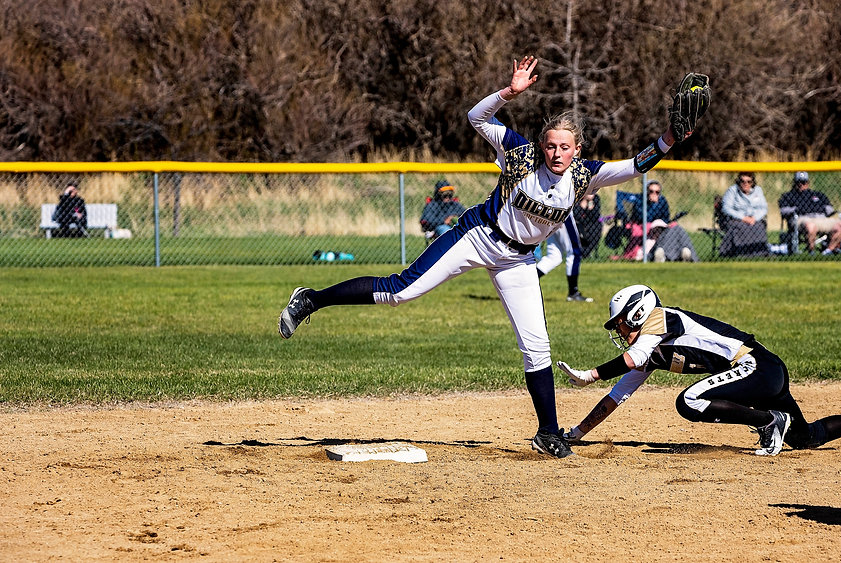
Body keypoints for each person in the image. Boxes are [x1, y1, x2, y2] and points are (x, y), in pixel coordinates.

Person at [277, 56, 708, 459]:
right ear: (542, 145)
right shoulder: (520, 156)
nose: (557, 153)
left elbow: (636, 165)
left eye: (565, 146)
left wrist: (672, 137)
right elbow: (476, 118)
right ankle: (311, 299)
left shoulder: (583, 176)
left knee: (536, 347)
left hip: (518, 260)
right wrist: (509, 92)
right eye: (551, 145)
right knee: (400, 291)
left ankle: (547, 434)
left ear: (577, 149)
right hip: (478, 235)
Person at [556, 285, 841, 456]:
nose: (618, 330)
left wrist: (588, 375)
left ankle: (767, 422)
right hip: (761, 374)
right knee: (806, 438)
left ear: (635, 313)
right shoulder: (648, 348)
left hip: (756, 366)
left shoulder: (661, 320)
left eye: (619, 323)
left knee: (690, 400)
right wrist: (576, 433)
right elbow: (617, 396)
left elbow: (630, 361)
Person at [624, 181, 698, 262]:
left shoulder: (662, 200)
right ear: (646, 191)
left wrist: (657, 206)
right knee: (668, 232)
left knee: (677, 228)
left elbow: (666, 217)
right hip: (648, 228)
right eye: (651, 191)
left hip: (661, 227)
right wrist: (652, 204)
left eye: (657, 192)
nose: (654, 194)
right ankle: (664, 253)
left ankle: (686, 252)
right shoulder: (640, 201)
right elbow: (641, 217)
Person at [778, 171, 841, 254]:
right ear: (794, 182)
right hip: (802, 218)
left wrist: (825, 209)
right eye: (798, 182)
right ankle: (811, 251)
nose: (801, 184)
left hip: (821, 218)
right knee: (811, 226)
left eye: (803, 182)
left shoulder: (818, 194)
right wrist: (797, 209)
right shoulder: (788, 196)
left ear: (808, 183)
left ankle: (828, 250)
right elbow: (784, 211)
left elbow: (829, 210)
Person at [536, 215, 594, 302]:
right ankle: (573, 293)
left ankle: (526, 280)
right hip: (563, 213)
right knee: (574, 253)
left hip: (550, 215)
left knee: (554, 257)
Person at [719, 172, 770, 257]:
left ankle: (759, 252)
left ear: (752, 183)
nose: (745, 184)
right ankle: (742, 252)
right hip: (736, 219)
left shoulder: (758, 190)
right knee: (741, 226)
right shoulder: (732, 190)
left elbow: (763, 208)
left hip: (753, 219)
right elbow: (726, 208)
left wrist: (755, 218)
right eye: (742, 181)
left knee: (759, 226)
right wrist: (743, 218)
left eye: (748, 181)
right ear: (738, 181)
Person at [573, 192, 602, 259]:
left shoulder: (596, 198)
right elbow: (575, 215)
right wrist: (581, 206)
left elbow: (595, 216)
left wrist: (590, 207)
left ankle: (585, 253)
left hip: (591, 225)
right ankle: (579, 252)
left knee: (597, 227)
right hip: (579, 224)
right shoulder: (577, 198)